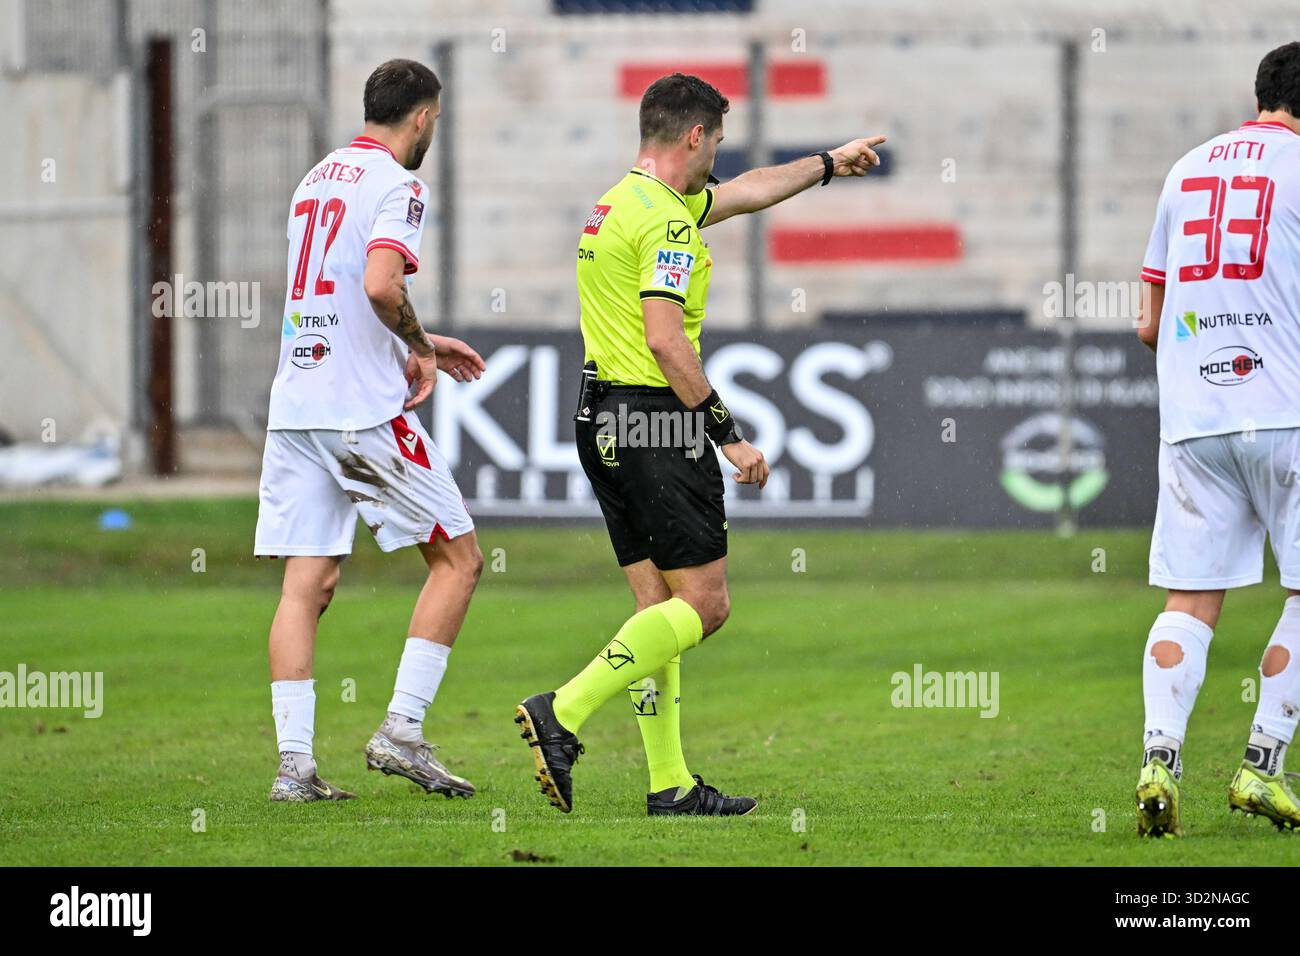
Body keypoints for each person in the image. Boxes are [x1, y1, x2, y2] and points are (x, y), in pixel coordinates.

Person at [515, 72, 886, 815]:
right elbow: (665, 342)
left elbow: (749, 189)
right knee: (707, 607)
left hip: (599, 419)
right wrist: (729, 436)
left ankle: (670, 784)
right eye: (715, 138)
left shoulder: (620, 202)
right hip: (657, 423)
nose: (719, 153)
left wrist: (825, 164)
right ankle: (563, 710)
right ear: (694, 135)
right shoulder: (670, 222)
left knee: (658, 610)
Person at [254, 59, 487, 802]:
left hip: (297, 408)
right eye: (436, 120)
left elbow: (335, 300)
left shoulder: (315, 179)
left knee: (307, 584)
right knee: (460, 560)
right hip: (359, 411)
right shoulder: (399, 184)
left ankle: (294, 769)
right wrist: (419, 347)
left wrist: (414, 343)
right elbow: (382, 284)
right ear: (422, 117)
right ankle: (402, 731)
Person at [1134, 41, 1300, 836]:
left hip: (1195, 419)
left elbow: (1149, 324)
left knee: (1192, 599)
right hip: (1289, 414)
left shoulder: (1186, 168)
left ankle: (1159, 759)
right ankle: (1263, 765)